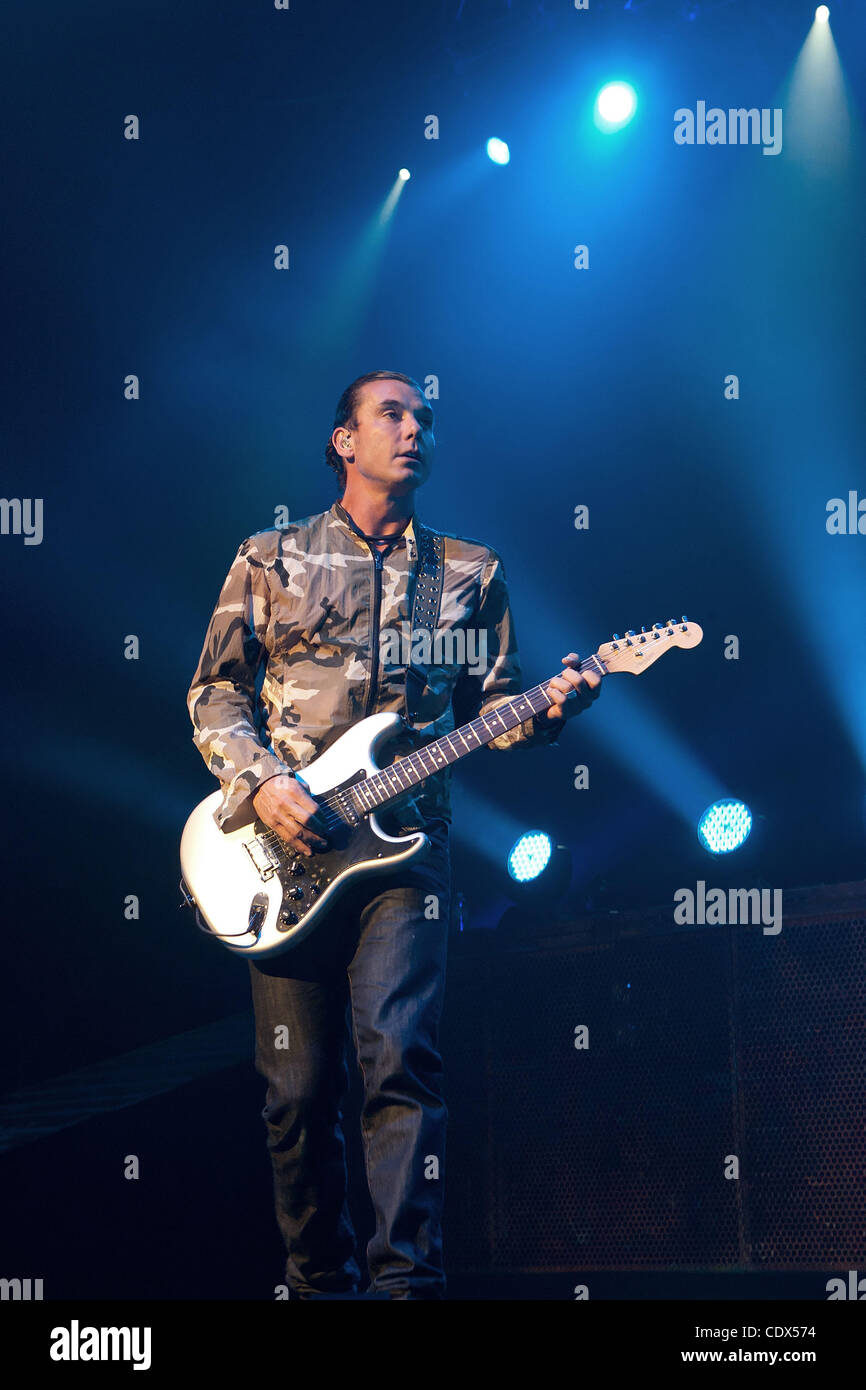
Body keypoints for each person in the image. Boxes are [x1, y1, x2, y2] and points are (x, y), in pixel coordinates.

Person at [186, 370, 601, 1299]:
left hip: (407, 850)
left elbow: (499, 705)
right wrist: (263, 782)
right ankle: (315, 1281)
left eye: (425, 418)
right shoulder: (271, 556)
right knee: (294, 1096)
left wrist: (555, 705)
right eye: (393, 414)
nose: (414, 429)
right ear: (345, 441)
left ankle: (407, 1285)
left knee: (401, 1065)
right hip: (283, 854)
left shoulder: (468, 571)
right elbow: (214, 692)